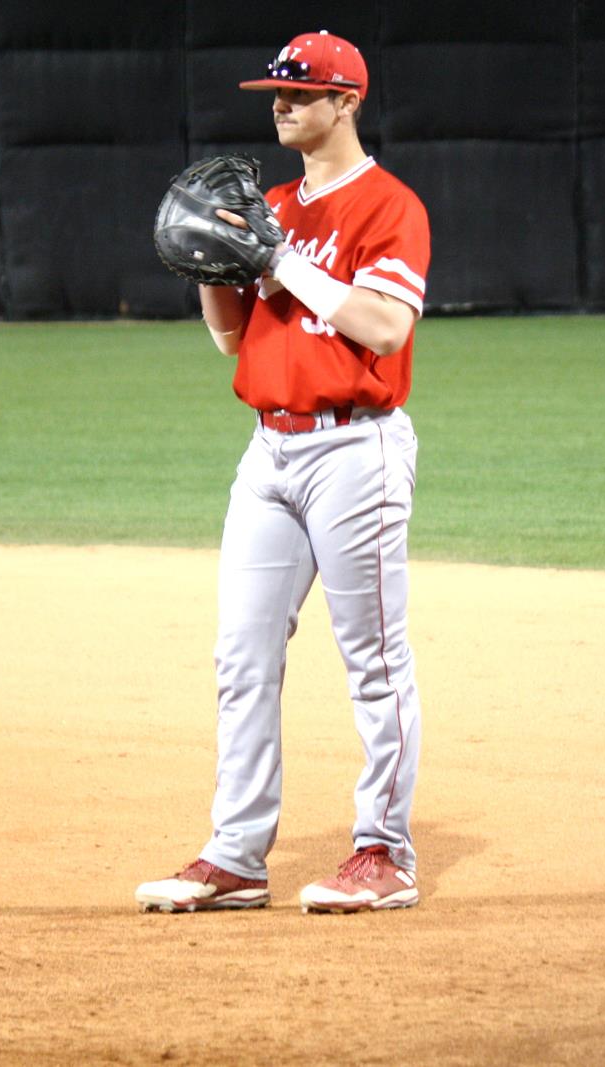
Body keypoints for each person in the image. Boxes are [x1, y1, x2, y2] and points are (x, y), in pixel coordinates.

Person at [136, 30, 432, 914]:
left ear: (347, 102)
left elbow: (383, 328)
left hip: (356, 447)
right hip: (269, 450)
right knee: (242, 655)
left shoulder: (388, 206)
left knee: (373, 660)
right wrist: (209, 268)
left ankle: (384, 851)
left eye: (300, 94)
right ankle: (236, 854)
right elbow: (235, 340)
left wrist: (275, 260)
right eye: (275, 94)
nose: (281, 107)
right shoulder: (268, 203)